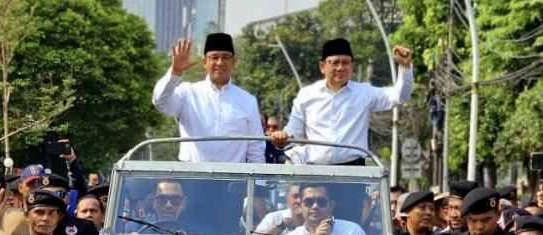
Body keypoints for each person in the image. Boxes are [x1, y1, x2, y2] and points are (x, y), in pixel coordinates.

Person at [272, 38, 413, 165]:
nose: (340, 68)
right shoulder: (307, 95)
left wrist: (405, 67)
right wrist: (282, 136)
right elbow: (294, 131)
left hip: (352, 172)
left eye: (345, 63)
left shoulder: (364, 93)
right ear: (322, 66)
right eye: (334, 63)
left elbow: (400, 96)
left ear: (352, 66)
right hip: (314, 173)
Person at [152, 33, 265, 163]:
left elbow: (256, 148)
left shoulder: (247, 100)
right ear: (205, 62)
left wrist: (257, 183)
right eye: (214, 57)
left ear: (233, 62)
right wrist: (175, 73)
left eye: (225, 57)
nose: (220, 63)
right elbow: (160, 102)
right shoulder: (188, 93)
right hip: (193, 177)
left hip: (234, 180)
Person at [35, 173, 100, 235]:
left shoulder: (85, 228)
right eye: (47, 195)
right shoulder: (28, 226)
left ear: (68, 198)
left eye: (59, 194)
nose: (54, 200)